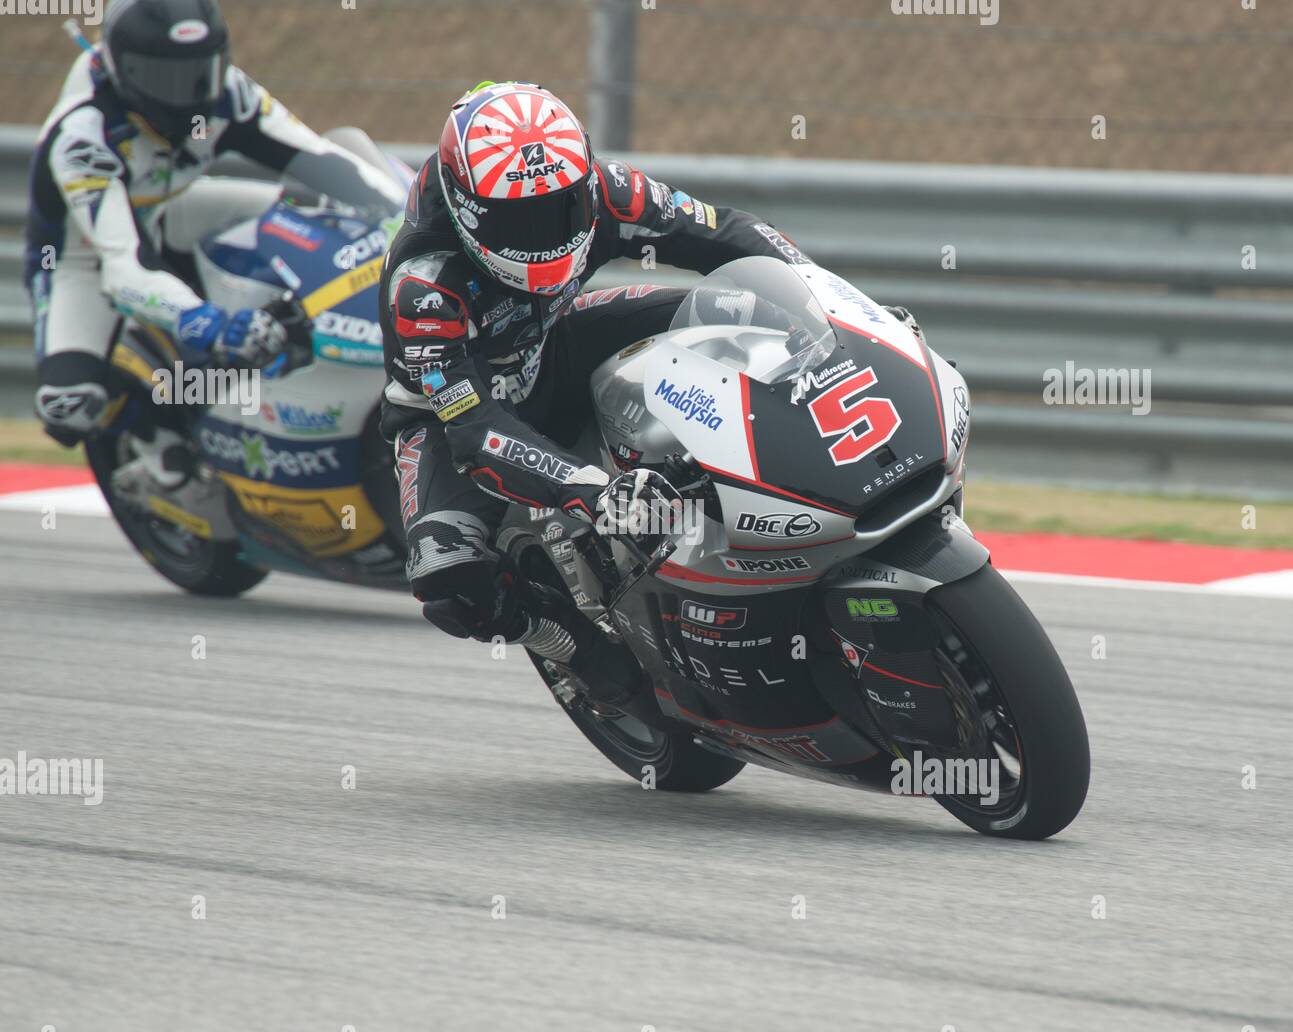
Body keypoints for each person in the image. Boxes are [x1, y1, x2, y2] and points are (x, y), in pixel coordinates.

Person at [378, 81, 827, 706]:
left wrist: (830, 301)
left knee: (740, 304)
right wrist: (593, 491)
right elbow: (475, 428)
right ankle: (567, 645)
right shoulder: (422, 290)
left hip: (558, 345)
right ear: (466, 211)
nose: (546, 235)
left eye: (560, 209)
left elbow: (726, 232)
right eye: (520, 219)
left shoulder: (606, 191)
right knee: (447, 578)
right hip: (453, 420)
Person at [25, 0, 392, 488]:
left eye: (201, 71)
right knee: (67, 405)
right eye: (162, 77)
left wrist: (411, 211)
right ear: (119, 68)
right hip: (87, 255)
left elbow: (322, 159)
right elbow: (123, 267)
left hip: (173, 208)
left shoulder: (229, 93)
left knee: (306, 212)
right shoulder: (84, 135)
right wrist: (209, 324)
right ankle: (154, 435)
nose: (187, 93)